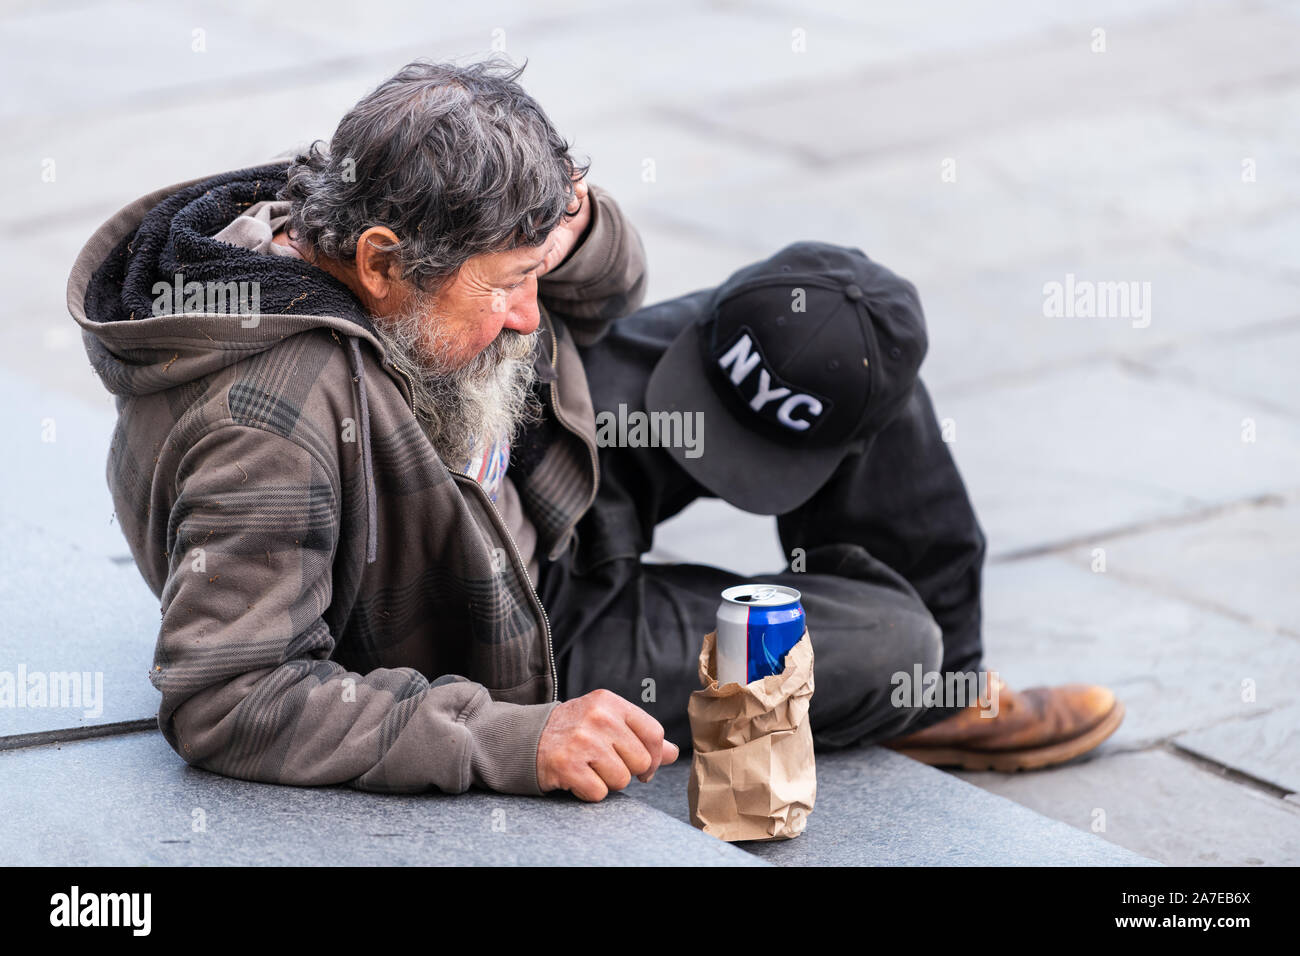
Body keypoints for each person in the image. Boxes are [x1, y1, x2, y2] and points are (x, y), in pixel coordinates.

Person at [67, 57, 1122, 805]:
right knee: (896, 646)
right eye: (509, 285)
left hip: (536, 454)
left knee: (833, 331)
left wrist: (575, 233)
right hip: (518, 616)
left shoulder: (353, 206)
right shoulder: (272, 417)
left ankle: (945, 697)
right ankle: (910, 683)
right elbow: (230, 696)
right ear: (382, 263)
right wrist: (514, 737)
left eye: (532, 271)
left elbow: (602, 294)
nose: (530, 312)